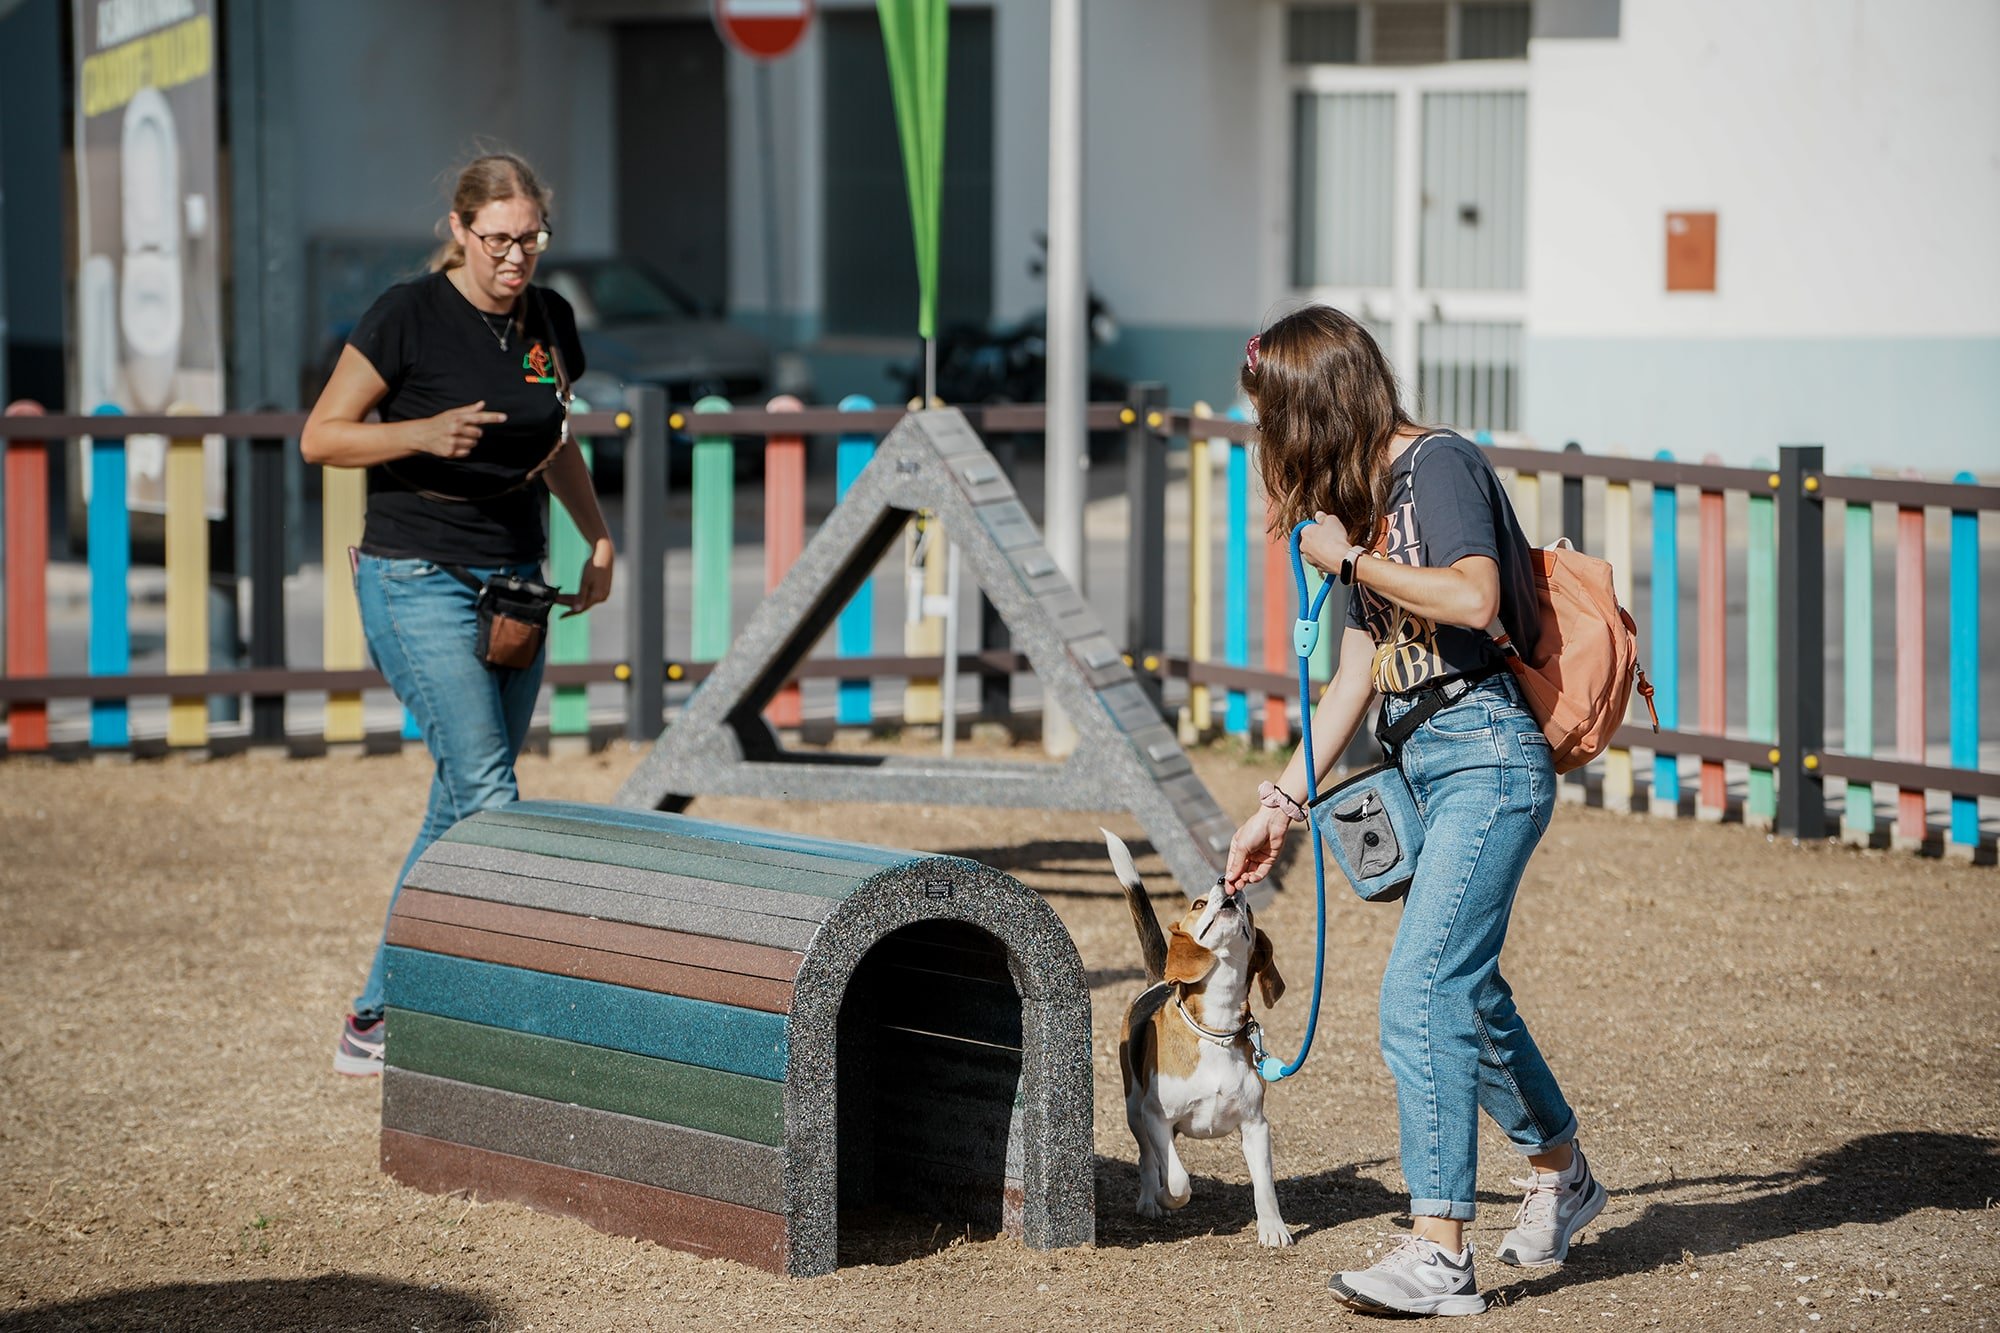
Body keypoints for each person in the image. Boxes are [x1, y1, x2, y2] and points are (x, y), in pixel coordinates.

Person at [1225, 306, 1603, 1318]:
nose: (1273, 447)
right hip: (1420, 770)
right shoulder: (1362, 501)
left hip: (1485, 754)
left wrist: (1349, 563)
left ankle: (1437, 1250)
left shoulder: (1434, 467)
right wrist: (1279, 802)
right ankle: (1561, 1172)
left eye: (1275, 422)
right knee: (1466, 995)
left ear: (1317, 406)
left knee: (1419, 992)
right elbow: (1352, 679)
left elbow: (1475, 598)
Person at [302, 152, 613, 1077]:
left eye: (531, 240)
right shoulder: (408, 315)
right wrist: (419, 433)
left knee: (457, 805)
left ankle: (375, 1018)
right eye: (499, 240)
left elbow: (553, 441)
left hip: (514, 582)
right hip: (417, 576)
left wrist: (595, 536)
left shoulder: (549, 321)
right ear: (459, 228)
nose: (515, 258)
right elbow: (322, 435)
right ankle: (519, 1020)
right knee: (489, 795)